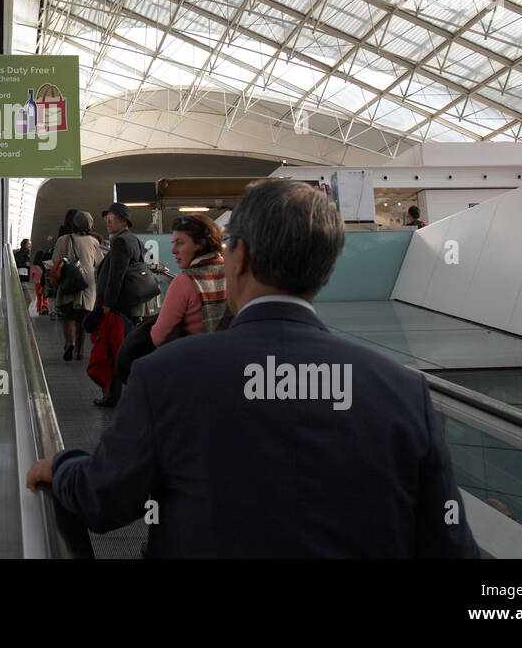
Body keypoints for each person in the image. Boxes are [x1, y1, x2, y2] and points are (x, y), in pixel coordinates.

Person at [26, 178, 480, 558]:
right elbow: (447, 544)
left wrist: (61, 465)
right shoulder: (403, 391)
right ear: (325, 268)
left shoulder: (166, 376)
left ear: (237, 257)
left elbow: (104, 499)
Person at [115, 214, 230, 387]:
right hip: (230, 368)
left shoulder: (185, 282)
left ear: (201, 244)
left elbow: (158, 336)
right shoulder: (234, 274)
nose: (173, 251)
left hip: (194, 373)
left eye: (180, 243)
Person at [89, 202, 150, 407]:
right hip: (132, 305)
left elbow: (117, 275)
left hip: (119, 307)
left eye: (112, 217)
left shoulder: (121, 242)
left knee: (113, 349)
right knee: (127, 349)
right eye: (106, 217)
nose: (107, 220)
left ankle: (113, 396)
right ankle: (131, 393)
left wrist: (108, 303)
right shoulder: (134, 240)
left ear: (124, 221)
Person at [51, 211, 103, 362]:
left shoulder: (63, 240)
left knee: (68, 316)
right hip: (87, 284)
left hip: (68, 281)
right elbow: (99, 262)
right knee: (82, 318)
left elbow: (55, 260)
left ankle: (69, 342)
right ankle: (79, 351)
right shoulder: (93, 241)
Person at [14, 239, 33, 308]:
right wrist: (25, 264)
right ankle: (24, 314)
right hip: (20, 278)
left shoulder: (27, 255)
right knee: (28, 299)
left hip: (24, 278)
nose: (30, 245)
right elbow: (16, 264)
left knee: (25, 299)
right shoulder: (18, 254)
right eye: (28, 243)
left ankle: (23, 313)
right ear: (24, 244)